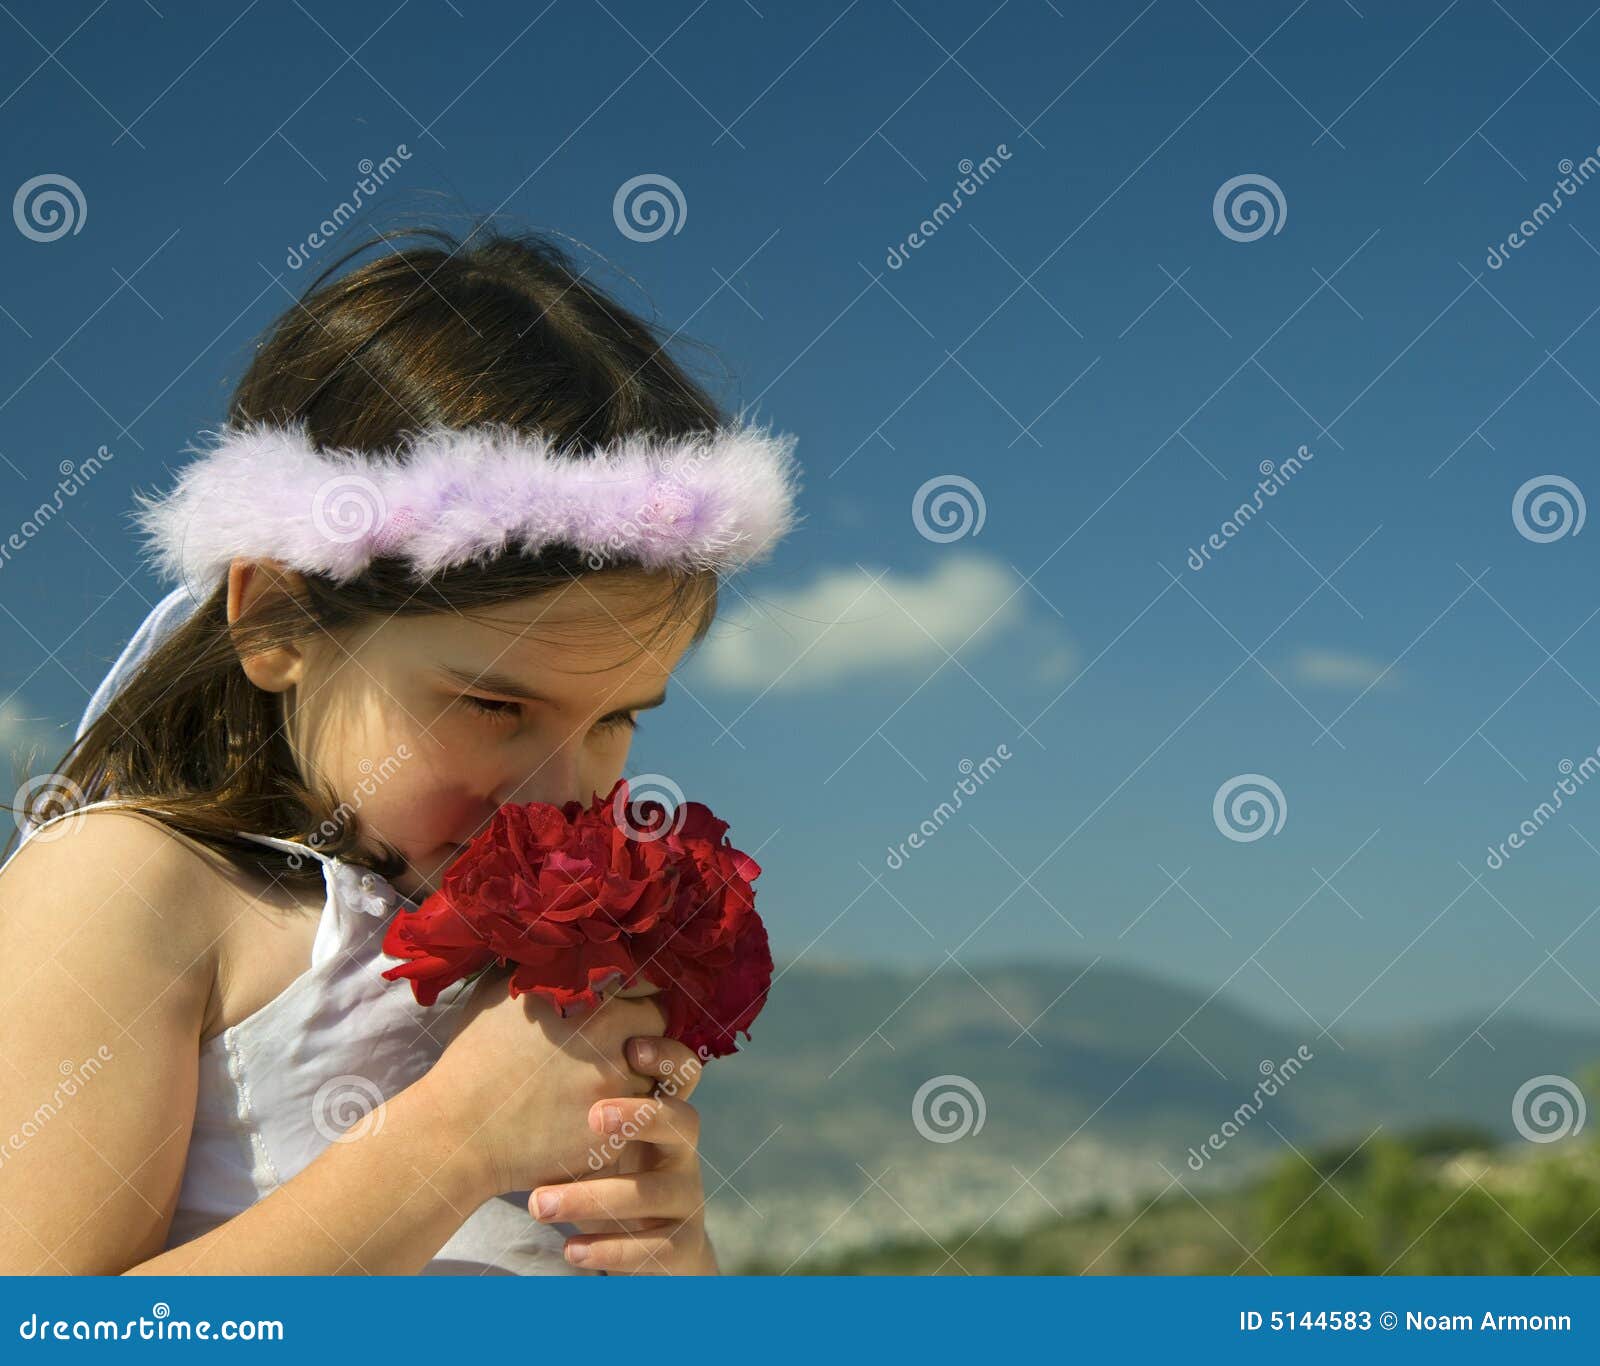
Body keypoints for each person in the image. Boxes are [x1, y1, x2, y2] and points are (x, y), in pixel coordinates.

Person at [0, 224, 802, 1276]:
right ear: (279, 620)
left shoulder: (510, 961)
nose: (559, 793)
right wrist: (452, 1142)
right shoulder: (130, 888)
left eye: (616, 718)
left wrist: (669, 1257)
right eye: (494, 705)